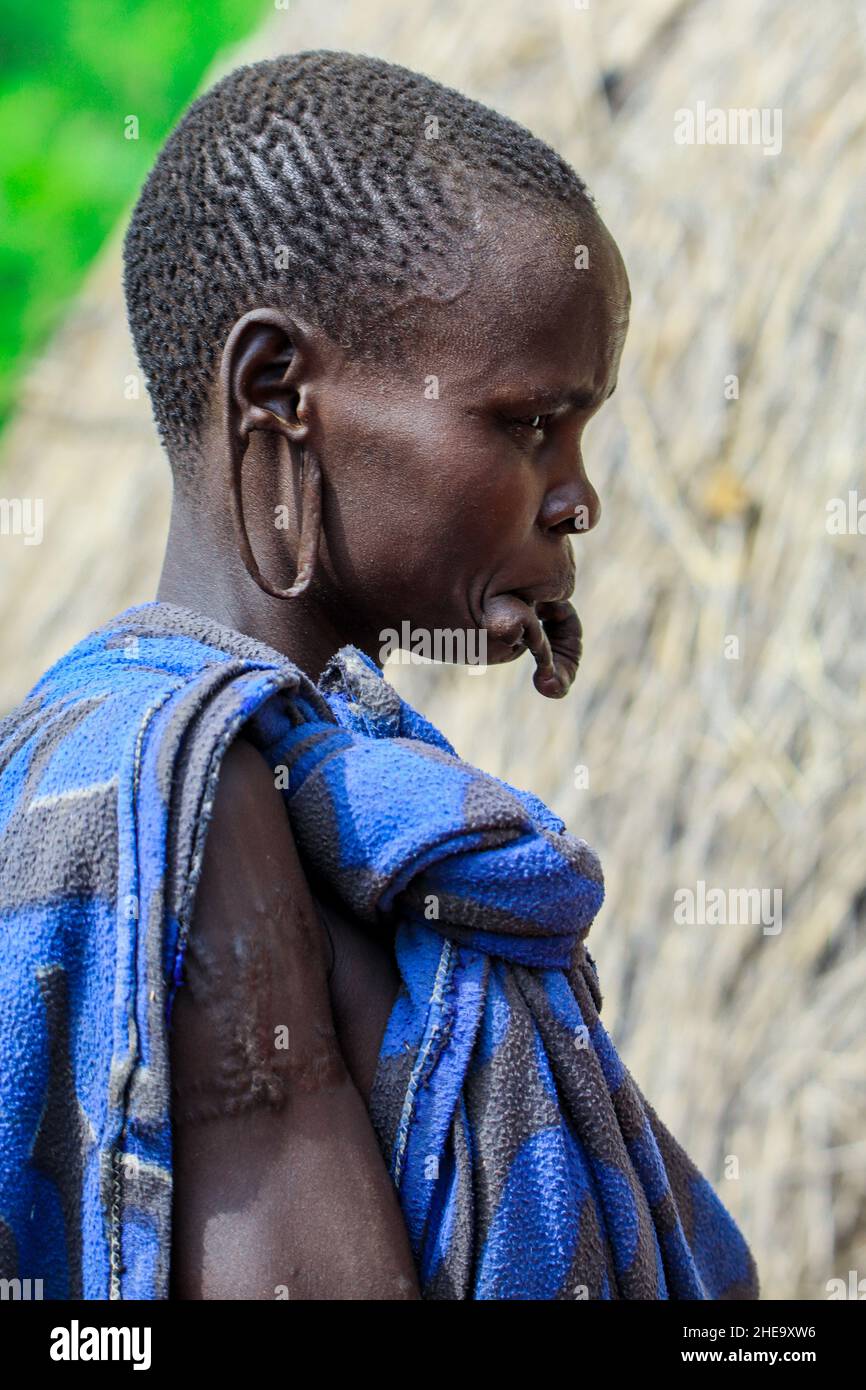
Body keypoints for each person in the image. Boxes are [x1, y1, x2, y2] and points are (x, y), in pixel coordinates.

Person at [0, 50, 759, 1300]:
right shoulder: (203, 802)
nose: (578, 497)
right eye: (525, 425)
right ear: (274, 395)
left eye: (581, 432)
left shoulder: (358, 796)